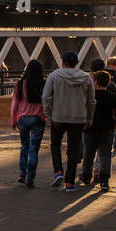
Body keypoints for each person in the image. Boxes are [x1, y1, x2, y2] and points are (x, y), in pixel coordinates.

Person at [43, 51, 95, 193]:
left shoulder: (54, 76)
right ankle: (70, 182)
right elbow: (91, 101)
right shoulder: (86, 78)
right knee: (73, 149)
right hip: (78, 118)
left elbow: (46, 97)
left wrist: (49, 115)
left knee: (55, 145)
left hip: (58, 117)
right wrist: (89, 118)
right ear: (76, 63)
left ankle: (58, 171)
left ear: (63, 62)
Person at [79, 71, 116, 191]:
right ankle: (104, 180)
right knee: (105, 155)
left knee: (88, 154)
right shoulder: (112, 96)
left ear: (96, 81)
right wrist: (115, 123)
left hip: (90, 128)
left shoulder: (88, 95)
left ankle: (86, 176)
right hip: (107, 128)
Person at [11, 59, 47, 187]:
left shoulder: (20, 84)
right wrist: (45, 116)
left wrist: (13, 120)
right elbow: (46, 102)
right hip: (37, 118)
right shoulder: (43, 84)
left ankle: (22, 173)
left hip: (23, 119)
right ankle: (30, 177)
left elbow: (15, 103)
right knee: (34, 149)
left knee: (24, 146)